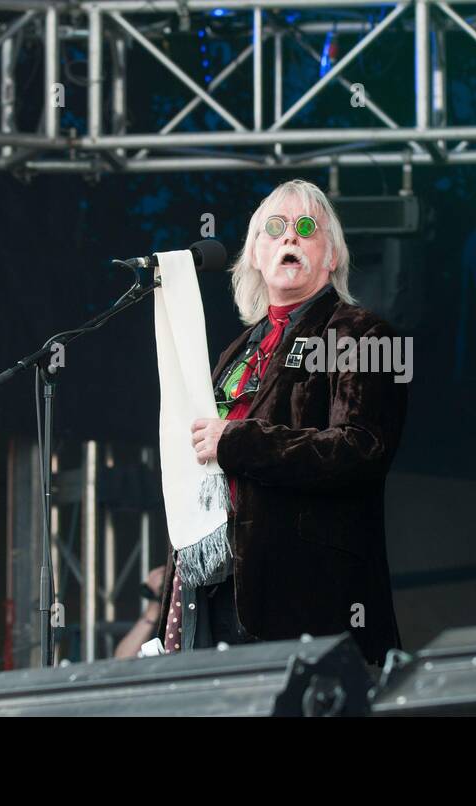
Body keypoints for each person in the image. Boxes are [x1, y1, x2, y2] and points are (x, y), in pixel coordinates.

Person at [160, 178, 408, 665]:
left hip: (307, 595)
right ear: (254, 253)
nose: (290, 237)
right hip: (218, 587)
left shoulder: (361, 333)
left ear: (331, 257)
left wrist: (240, 442)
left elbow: (362, 449)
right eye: (275, 227)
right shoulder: (239, 350)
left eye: (306, 227)